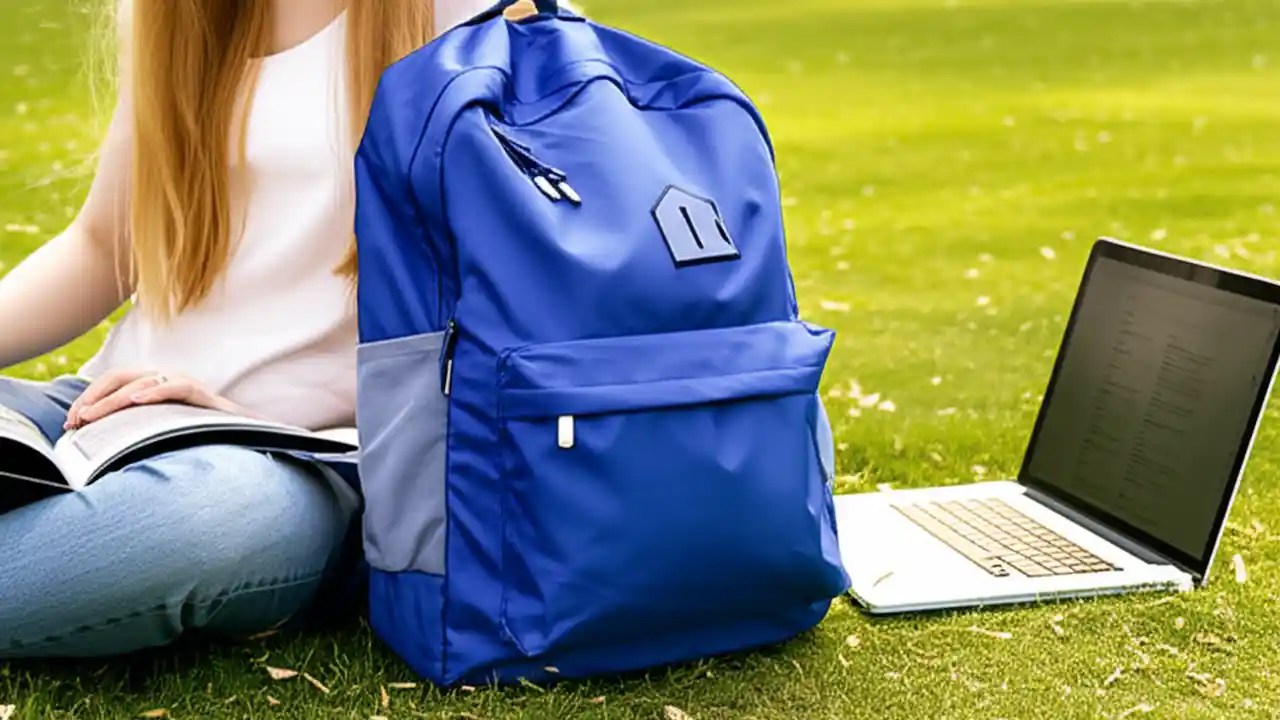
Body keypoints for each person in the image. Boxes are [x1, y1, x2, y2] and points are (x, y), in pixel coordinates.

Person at [0, 0, 501, 659]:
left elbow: (510, 319)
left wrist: (248, 415)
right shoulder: (164, 13)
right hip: (103, 413)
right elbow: (102, 245)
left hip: (309, 460)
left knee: (198, 526)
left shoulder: (474, 16)